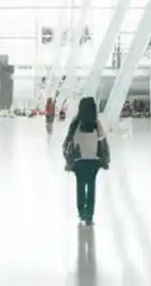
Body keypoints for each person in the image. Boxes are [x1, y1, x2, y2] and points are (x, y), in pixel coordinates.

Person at [62, 97, 109, 227]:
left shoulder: (76, 122)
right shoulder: (96, 123)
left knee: (80, 186)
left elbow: (68, 140)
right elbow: (103, 140)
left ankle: (81, 211)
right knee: (92, 186)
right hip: (94, 161)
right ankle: (90, 215)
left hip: (78, 160)